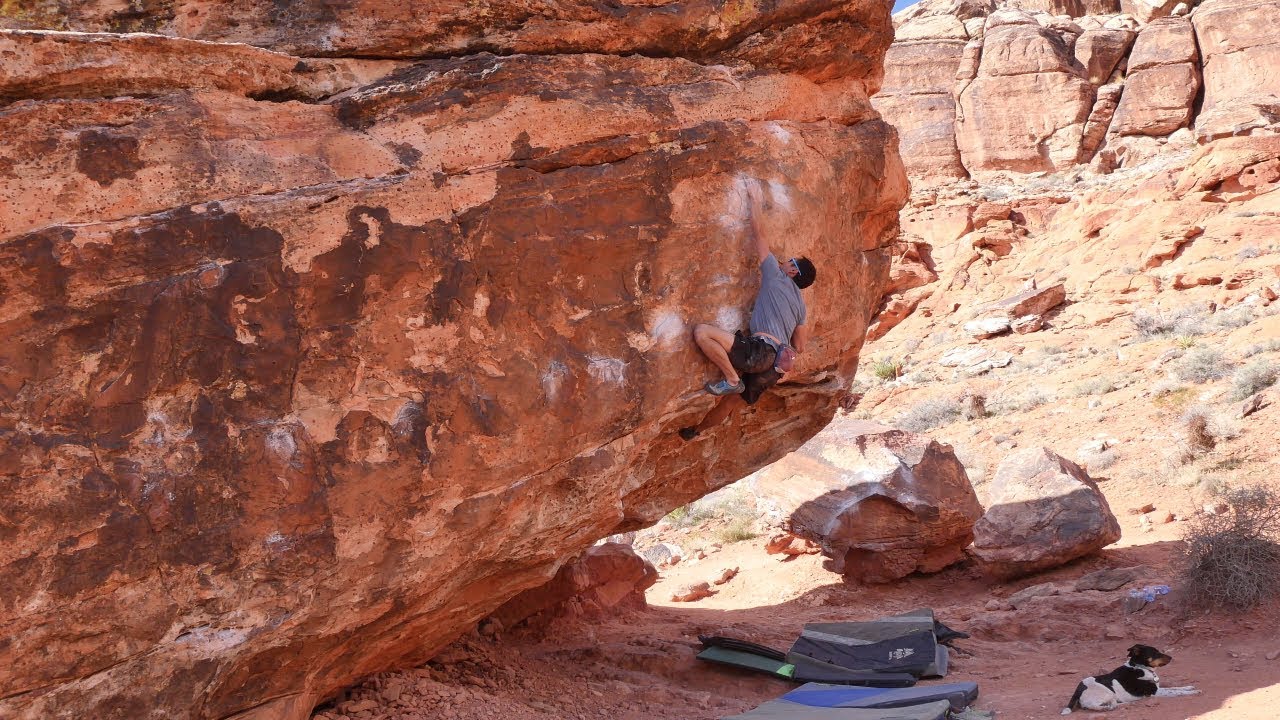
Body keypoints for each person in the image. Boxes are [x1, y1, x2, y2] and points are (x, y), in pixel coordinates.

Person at [680, 181, 817, 440]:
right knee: (730, 403)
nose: (785, 260)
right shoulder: (800, 304)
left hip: (761, 352)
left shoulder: (776, 276)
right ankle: (694, 431)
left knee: (702, 332)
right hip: (773, 370)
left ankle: (732, 379)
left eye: (790, 261)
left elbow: (759, 236)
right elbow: (800, 346)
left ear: (792, 271)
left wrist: (754, 200)